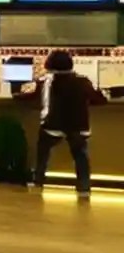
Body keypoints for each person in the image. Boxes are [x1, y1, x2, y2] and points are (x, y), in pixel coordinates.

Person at [17, 50, 108, 198]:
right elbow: (99, 99)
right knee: (80, 156)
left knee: (43, 150)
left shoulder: (46, 81)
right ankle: (84, 187)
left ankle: (38, 179)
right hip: (78, 125)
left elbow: (32, 97)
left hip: (53, 125)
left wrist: (17, 95)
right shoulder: (82, 81)